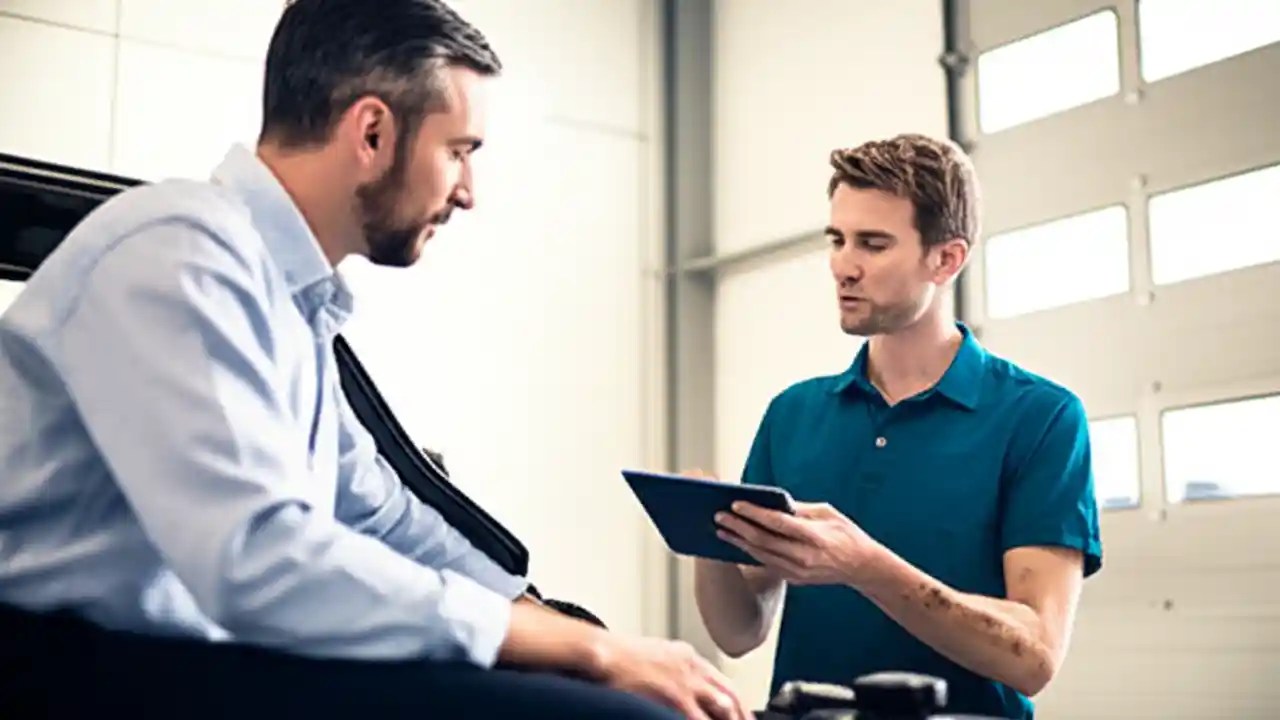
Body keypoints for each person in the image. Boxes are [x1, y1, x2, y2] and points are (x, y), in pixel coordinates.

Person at [0, 1, 749, 718]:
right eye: (459, 152)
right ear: (372, 134)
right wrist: (574, 649)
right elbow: (255, 558)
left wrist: (576, 631)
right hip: (69, 666)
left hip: (172, 660)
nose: (468, 192)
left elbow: (380, 513)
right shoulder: (179, 249)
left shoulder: (290, 302)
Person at [692, 133, 1102, 719]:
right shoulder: (793, 414)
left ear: (946, 258)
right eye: (837, 240)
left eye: (873, 244)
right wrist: (705, 540)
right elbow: (740, 632)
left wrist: (866, 567)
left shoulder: (1042, 418)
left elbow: (1033, 656)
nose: (843, 266)